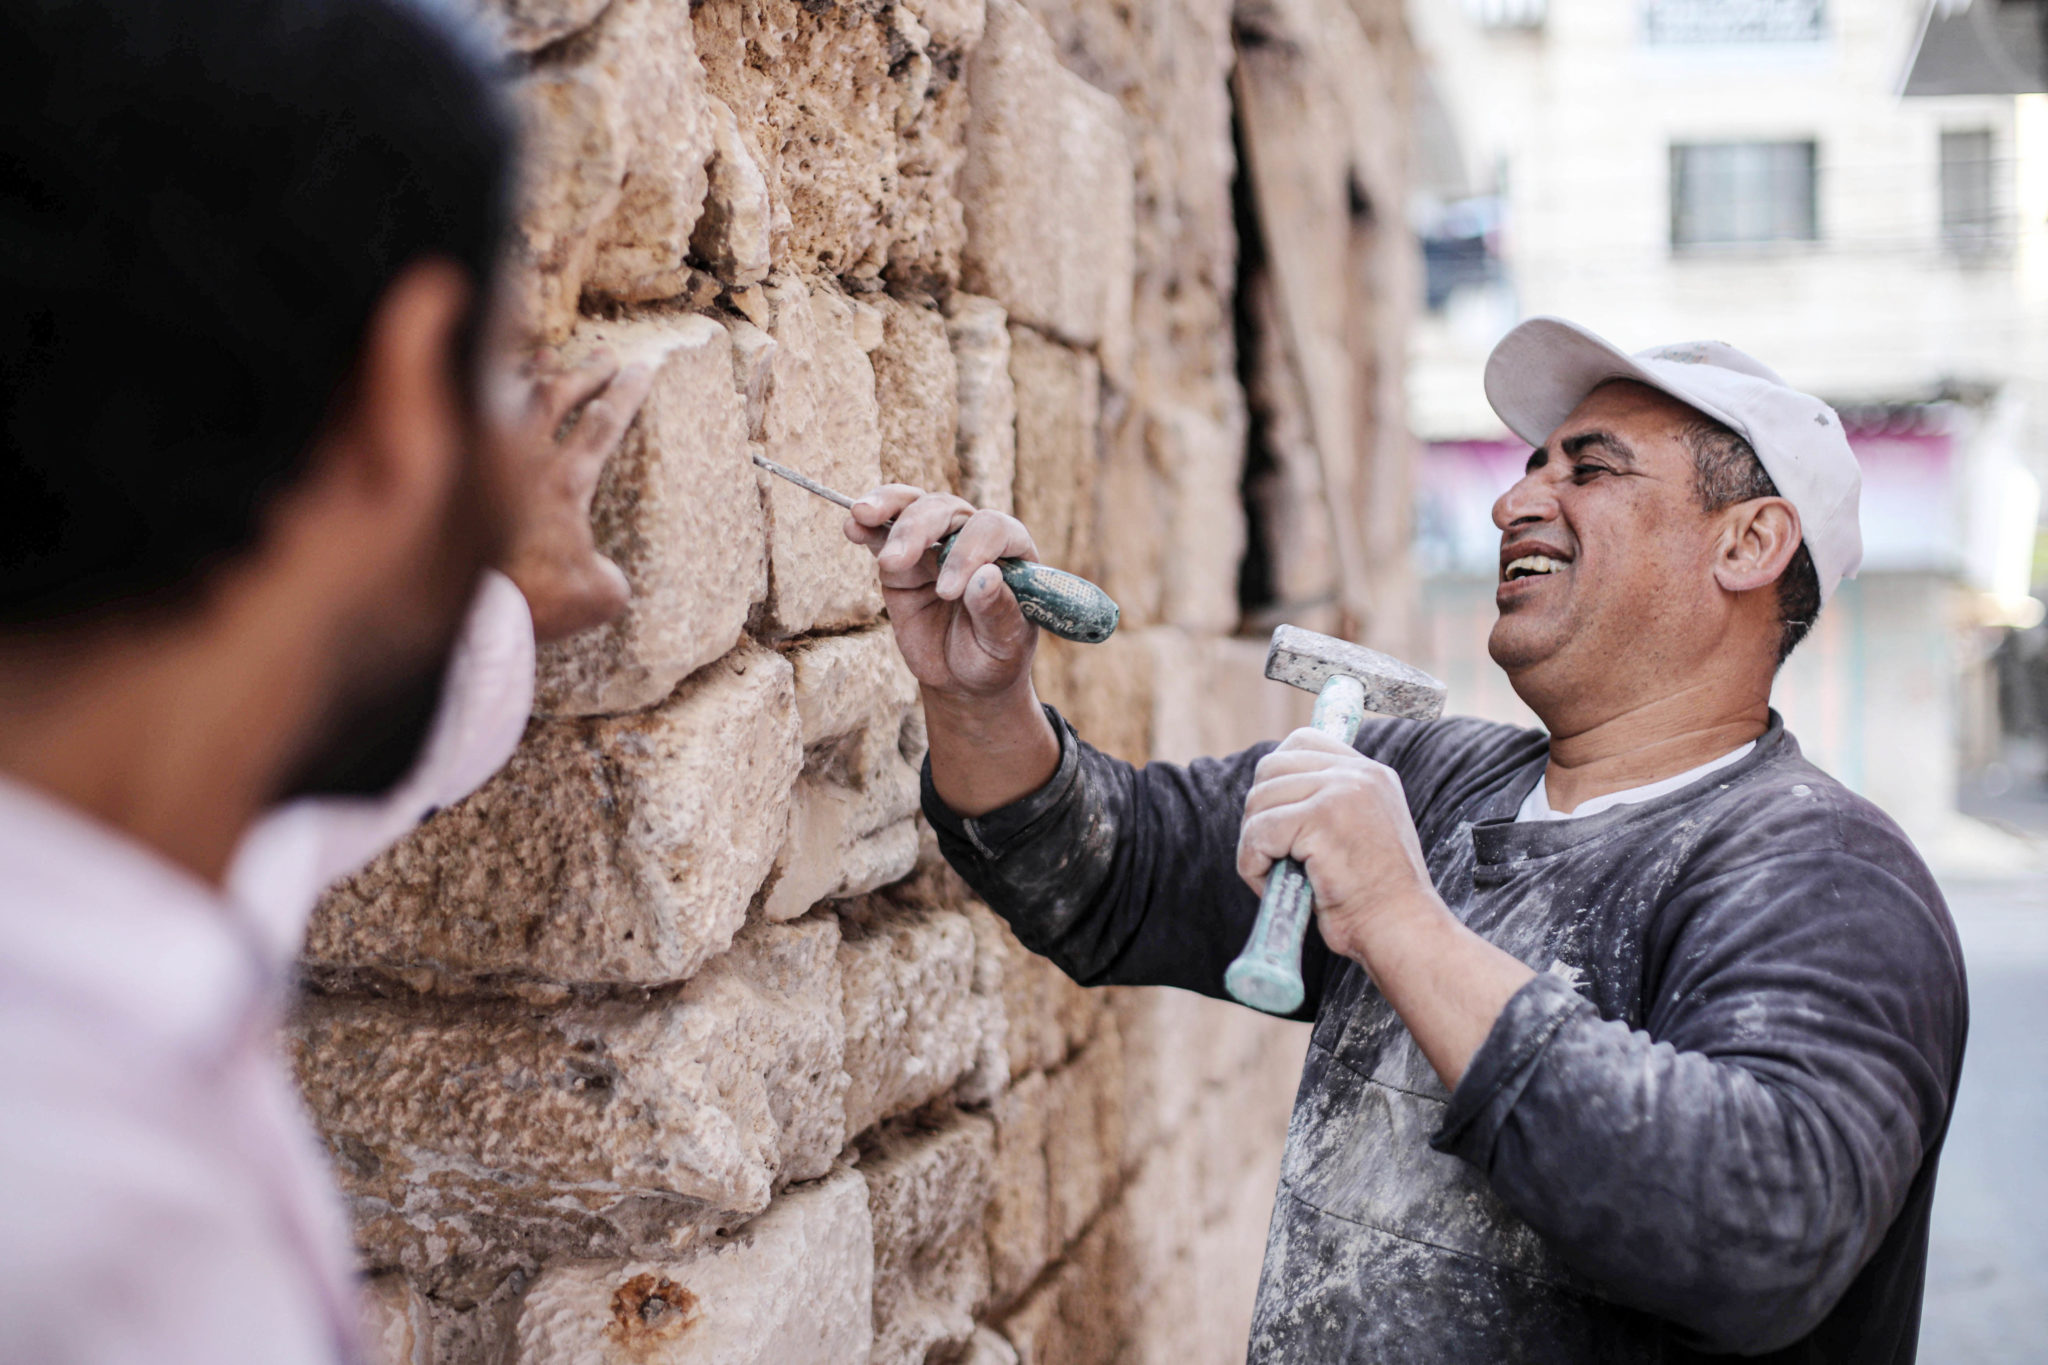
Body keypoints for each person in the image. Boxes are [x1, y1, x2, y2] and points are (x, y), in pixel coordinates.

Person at [850, 318, 1967, 1362]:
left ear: (1749, 541)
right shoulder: (1429, 785)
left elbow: (1759, 1235)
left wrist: (1396, 915)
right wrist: (979, 699)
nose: (1514, 502)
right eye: (1530, 466)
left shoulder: (1826, 878)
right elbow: (1107, 874)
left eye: (1588, 470)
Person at [0, 2, 654, 1361]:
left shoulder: (132, 850)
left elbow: (264, 783)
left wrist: (492, 603)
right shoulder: (98, 1235)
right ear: (403, 393)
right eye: (493, 374)